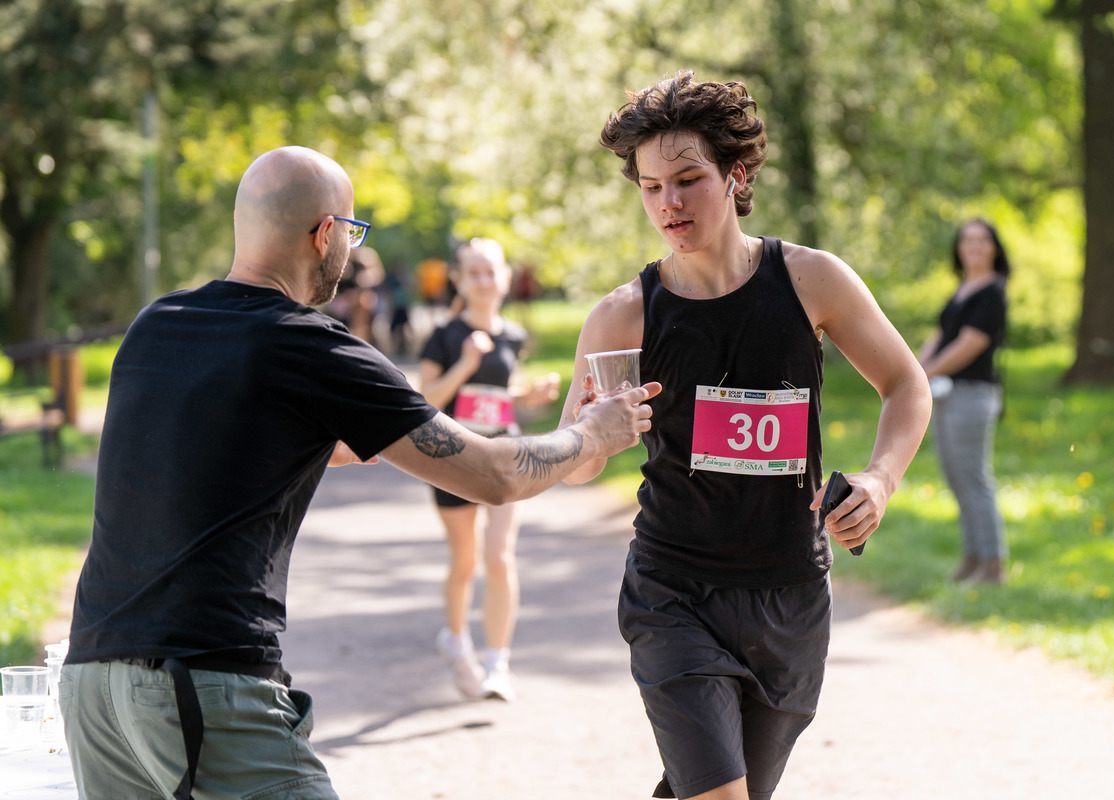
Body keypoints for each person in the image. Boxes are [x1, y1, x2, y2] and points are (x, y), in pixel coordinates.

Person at [58, 145, 658, 800]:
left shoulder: (157, 325)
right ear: (324, 233)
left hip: (91, 680)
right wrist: (590, 434)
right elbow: (493, 476)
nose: (349, 247)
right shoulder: (306, 344)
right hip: (200, 679)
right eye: (351, 229)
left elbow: (255, 447)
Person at [559, 72, 931, 800]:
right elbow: (571, 465)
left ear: (736, 174)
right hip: (673, 591)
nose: (667, 202)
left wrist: (882, 479)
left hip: (790, 595)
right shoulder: (623, 316)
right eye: (650, 186)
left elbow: (906, 386)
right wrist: (594, 438)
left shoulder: (811, 281)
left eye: (687, 179)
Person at [418, 237, 561, 702]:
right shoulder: (444, 336)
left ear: (503, 278)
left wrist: (530, 396)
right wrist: (464, 363)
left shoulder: (513, 336)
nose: (483, 280)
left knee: (500, 557)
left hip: (504, 460)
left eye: (490, 271)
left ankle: (498, 663)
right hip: (453, 461)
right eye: (473, 272)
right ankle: (456, 641)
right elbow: (424, 404)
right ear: (459, 280)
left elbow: (501, 396)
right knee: (465, 560)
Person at [918, 218, 1009, 585]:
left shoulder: (992, 293)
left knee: (973, 478)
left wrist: (927, 374)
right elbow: (942, 336)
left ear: (994, 248)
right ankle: (973, 556)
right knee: (956, 477)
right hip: (948, 394)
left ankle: (993, 564)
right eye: (967, 240)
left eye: (982, 240)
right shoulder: (962, 290)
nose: (974, 246)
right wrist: (914, 370)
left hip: (974, 395)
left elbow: (970, 344)